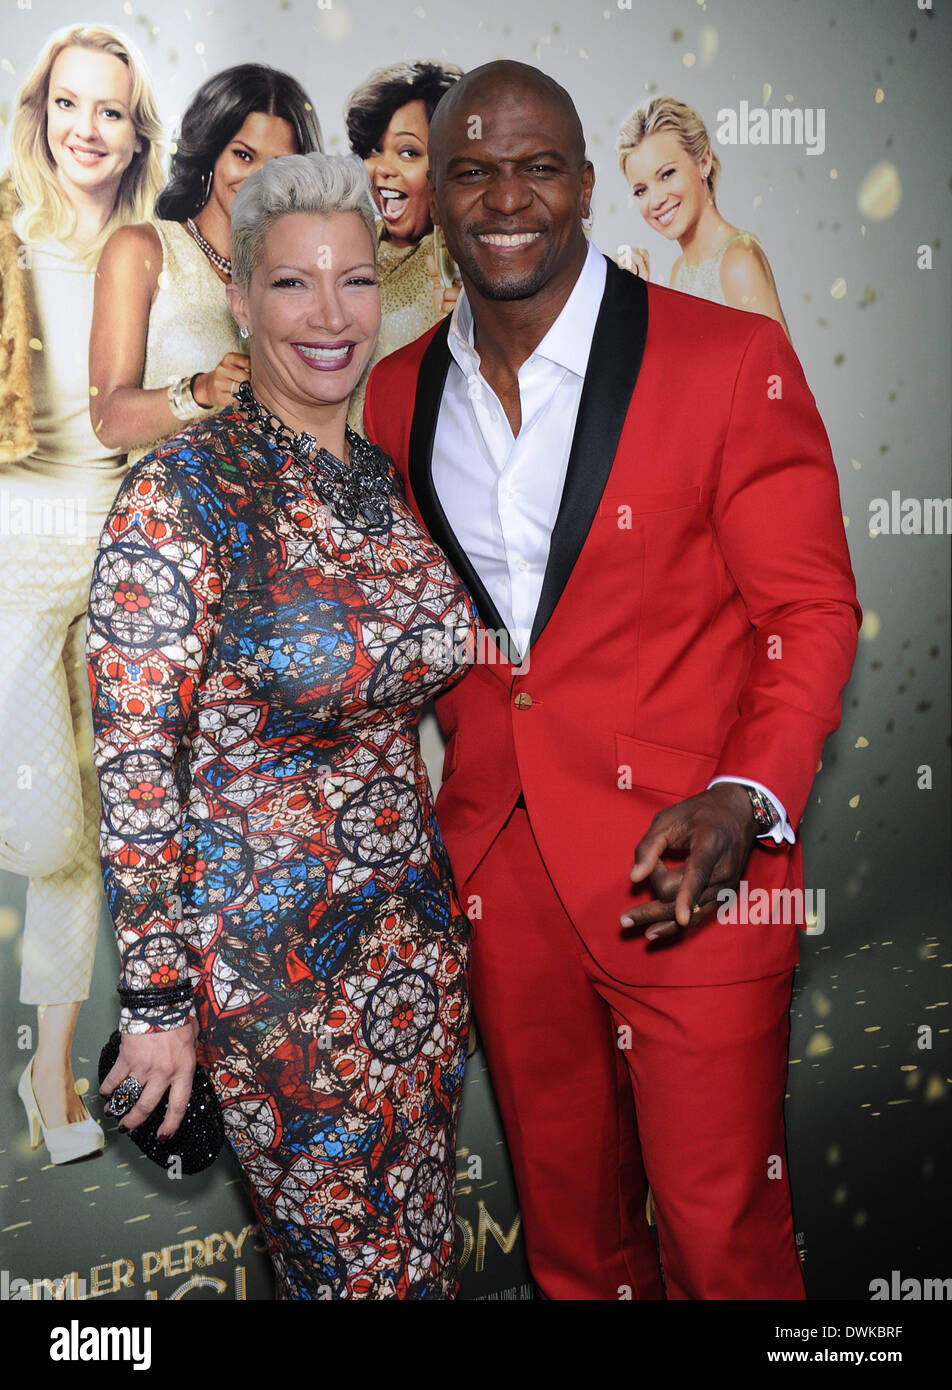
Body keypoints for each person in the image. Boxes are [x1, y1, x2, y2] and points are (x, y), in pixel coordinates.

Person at [363, 60, 861, 1300]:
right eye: (470, 169)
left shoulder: (727, 356)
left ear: (587, 186)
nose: (504, 197)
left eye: (537, 166)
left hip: (688, 865)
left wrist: (743, 797)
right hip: (503, 874)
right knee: (576, 1251)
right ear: (437, 197)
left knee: (722, 1243)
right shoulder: (389, 393)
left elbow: (809, 608)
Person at [88, 152, 477, 1300]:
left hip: (413, 963)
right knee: (362, 1283)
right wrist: (158, 1004)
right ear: (241, 297)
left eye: (355, 282)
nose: (330, 315)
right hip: (276, 985)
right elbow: (135, 762)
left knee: (415, 1263)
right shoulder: (182, 494)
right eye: (294, 284)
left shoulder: (380, 479)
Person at [0, 23, 163, 1164]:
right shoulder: (5, 224)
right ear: (40, 109)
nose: (86, 130)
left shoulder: (155, 249)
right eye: (69, 105)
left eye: (109, 110)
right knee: (47, 824)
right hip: (15, 551)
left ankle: (48, 1070)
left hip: (117, 553)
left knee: (93, 831)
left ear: (136, 126)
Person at [90, 64, 322, 466]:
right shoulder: (142, 250)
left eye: (279, 166)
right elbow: (108, 421)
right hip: (167, 517)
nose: (258, 181)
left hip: (269, 517)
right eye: (243, 155)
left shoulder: (300, 277)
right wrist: (201, 391)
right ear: (211, 152)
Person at [344, 60, 462, 434]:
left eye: (408, 152)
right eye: (375, 150)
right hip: (327, 473)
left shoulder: (462, 262)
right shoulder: (348, 242)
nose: (383, 169)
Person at [617, 95, 791, 337]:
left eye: (667, 174)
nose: (655, 200)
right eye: (641, 190)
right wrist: (639, 299)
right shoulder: (679, 271)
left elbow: (777, 373)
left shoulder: (739, 260)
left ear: (703, 161)